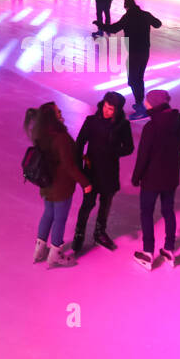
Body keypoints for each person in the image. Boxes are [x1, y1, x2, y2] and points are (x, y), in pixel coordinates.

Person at [25, 102, 92, 268]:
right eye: (58, 112)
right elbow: (69, 166)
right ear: (51, 117)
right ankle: (55, 254)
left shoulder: (40, 133)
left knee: (48, 214)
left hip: (46, 183)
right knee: (60, 219)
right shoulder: (61, 138)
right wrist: (85, 183)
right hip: (61, 186)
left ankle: (39, 250)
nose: (61, 113)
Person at [72, 91, 134, 253]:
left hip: (109, 172)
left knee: (105, 204)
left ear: (117, 110)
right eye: (106, 106)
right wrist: (79, 169)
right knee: (88, 204)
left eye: (111, 109)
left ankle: (100, 232)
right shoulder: (91, 121)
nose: (107, 111)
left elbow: (129, 147)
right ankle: (79, 233)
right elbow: (79, 144)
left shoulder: (123, 125)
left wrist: (113, 151)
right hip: (91, 171)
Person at [131, 88, 180, 270]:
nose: (145, 104)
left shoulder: (151, 127)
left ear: (154, 104)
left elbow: (143, 156)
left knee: (147, 213)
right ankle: (169, 249)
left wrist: (136, 177)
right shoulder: (179, 120)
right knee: (168, 211)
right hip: (171, 176)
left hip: (151, 179)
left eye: (147, 101)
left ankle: (148, 252)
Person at [99, 0, 162, 119]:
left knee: (133, 80)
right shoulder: (145, 15)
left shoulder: (127, 17)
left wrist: (100, 25)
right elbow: (158, 24)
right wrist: (149, 20)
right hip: (144, 52)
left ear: (126, 7)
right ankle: (140, 104)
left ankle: (140, 106)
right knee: (138, 78)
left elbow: (113, 29)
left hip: (134, 52)